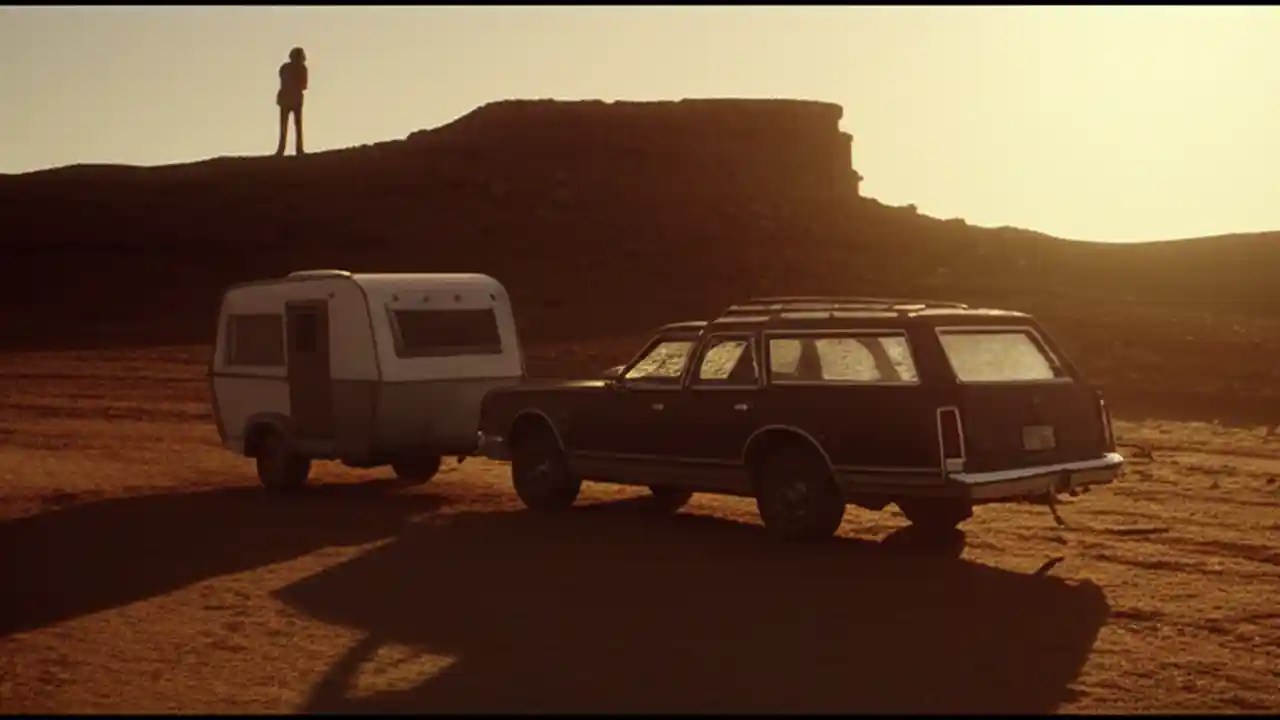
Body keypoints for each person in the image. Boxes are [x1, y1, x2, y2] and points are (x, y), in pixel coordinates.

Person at [275, 47, 308, 156]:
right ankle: (298, 149)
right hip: (293, 99)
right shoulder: (301, 68)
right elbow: (304, 85)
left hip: (288, 99)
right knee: (296, 126)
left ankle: (283, 149)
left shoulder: (285, 68)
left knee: (286, 126)